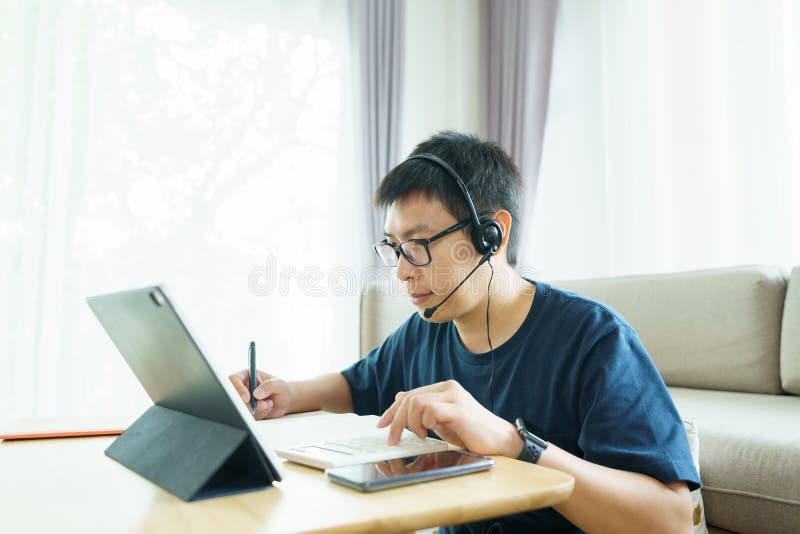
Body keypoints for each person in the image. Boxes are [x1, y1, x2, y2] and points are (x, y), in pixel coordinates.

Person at [230, 131, 700, 533]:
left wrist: (515, 444)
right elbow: (356, 385)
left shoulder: (595, 340)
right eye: (394, 248)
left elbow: (670, 518)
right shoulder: (425, 331)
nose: (401, 272)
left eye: (417, 245)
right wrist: (286, 394)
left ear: (490, 235)